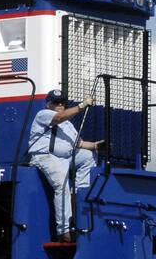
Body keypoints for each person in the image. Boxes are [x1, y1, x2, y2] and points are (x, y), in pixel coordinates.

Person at [27, 89, 105, 240]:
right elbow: (59, 117)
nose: (60, 105)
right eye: (56, 102)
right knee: (62, 185)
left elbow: (80, 144)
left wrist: (96, 145)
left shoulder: (68, 125)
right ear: (48, 103)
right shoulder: (43, 114)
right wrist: (81, 106)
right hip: (44, 156)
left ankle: (79, 193)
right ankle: (64, 230)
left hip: (64, 158)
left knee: (88, 155)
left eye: (63, 102)